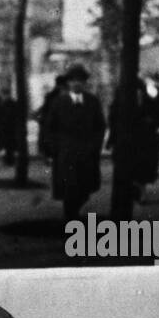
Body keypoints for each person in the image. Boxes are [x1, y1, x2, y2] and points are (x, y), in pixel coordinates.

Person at [42, 63, 106, 221]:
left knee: (85, 190)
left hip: (87, 153)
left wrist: (95, 146)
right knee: (68, 190)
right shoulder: (59, 102)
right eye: (73, 80)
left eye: (80, 80)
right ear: (68, 83)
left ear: (85, 83)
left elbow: (100, 126)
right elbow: (49, 127)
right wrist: (54, 148)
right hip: (66, 154)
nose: (76, 83)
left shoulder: (92, 102)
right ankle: (70, 220)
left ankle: (74, 215)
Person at [134, 70, 159, 192]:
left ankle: (146, 181)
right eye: (148, 79)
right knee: (141, 159)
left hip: (156, 131)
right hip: (142, 131)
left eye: (153, 79)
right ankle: (141, 188)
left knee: (153, 159)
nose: (150, 82)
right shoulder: (140, 93)